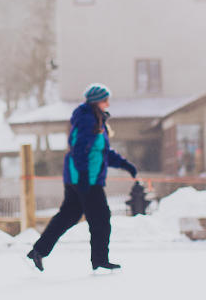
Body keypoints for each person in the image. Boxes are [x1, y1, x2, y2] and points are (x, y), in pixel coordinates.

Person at [27, 83, 137, 272]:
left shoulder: (95, 119)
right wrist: (84, 175)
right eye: (105, 100)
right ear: (97, 102)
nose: (108, 104)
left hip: (79, 178)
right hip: (85, 179)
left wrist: (125, 165)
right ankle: (100, 259)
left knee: (69, 216)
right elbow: (79, 149)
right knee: (101, 218)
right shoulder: (88, 120)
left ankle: (38, 251)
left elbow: (103, 152)